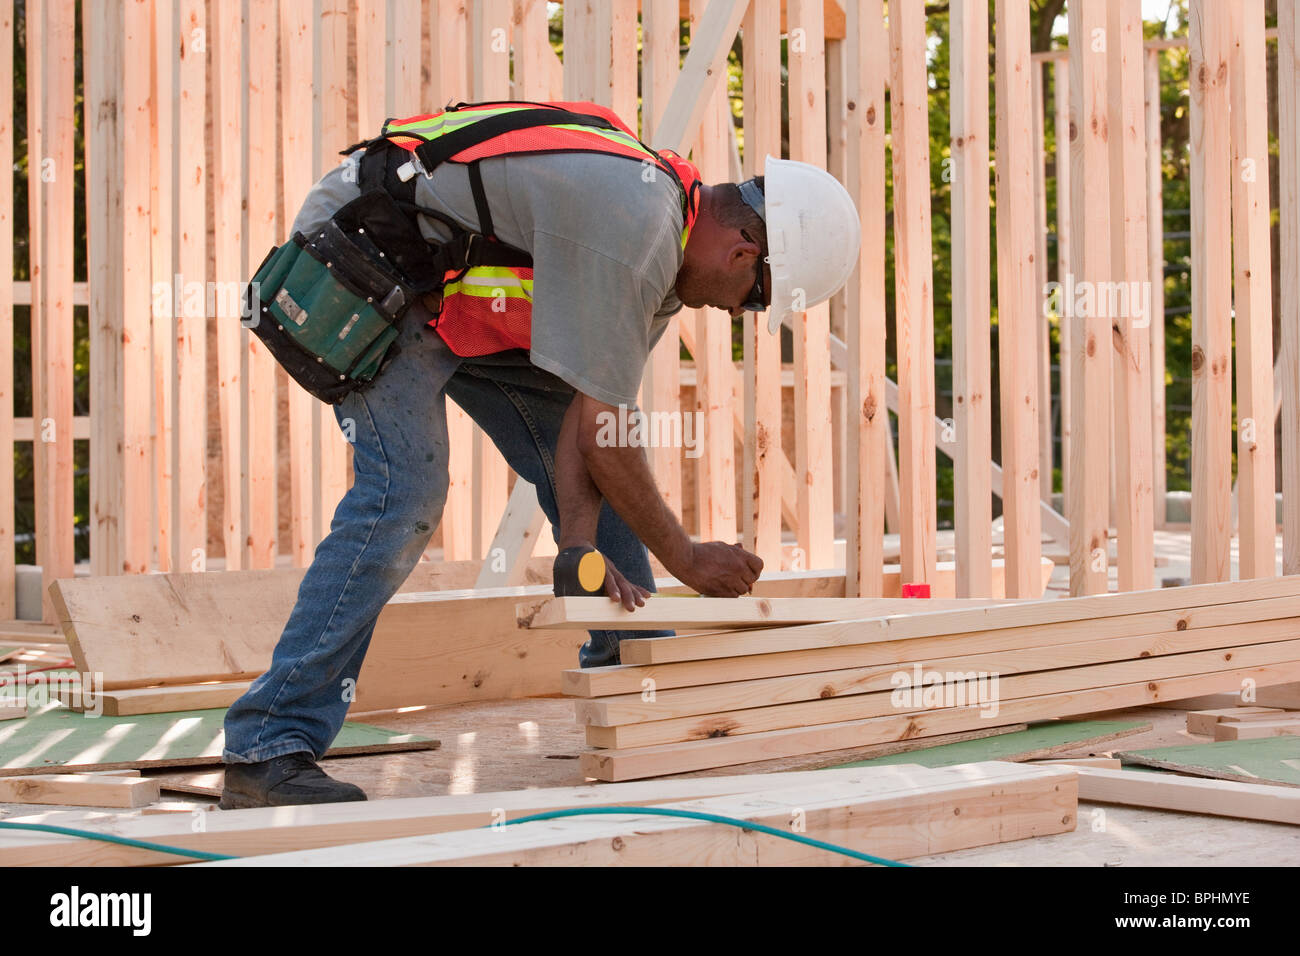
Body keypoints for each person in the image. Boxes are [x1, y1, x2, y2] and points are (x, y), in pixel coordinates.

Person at [219, 100, 861, 809]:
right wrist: (686, 558)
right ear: (745, 252)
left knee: (618, 476)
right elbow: (599, 437)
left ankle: (637, 707)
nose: (737, 313)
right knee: (406, 492)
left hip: (455, 299)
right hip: (367, 258)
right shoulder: (635, 230)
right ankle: (268, 744)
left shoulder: (662, 247)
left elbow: (593, 422)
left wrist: (579, 546)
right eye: (753, 300)